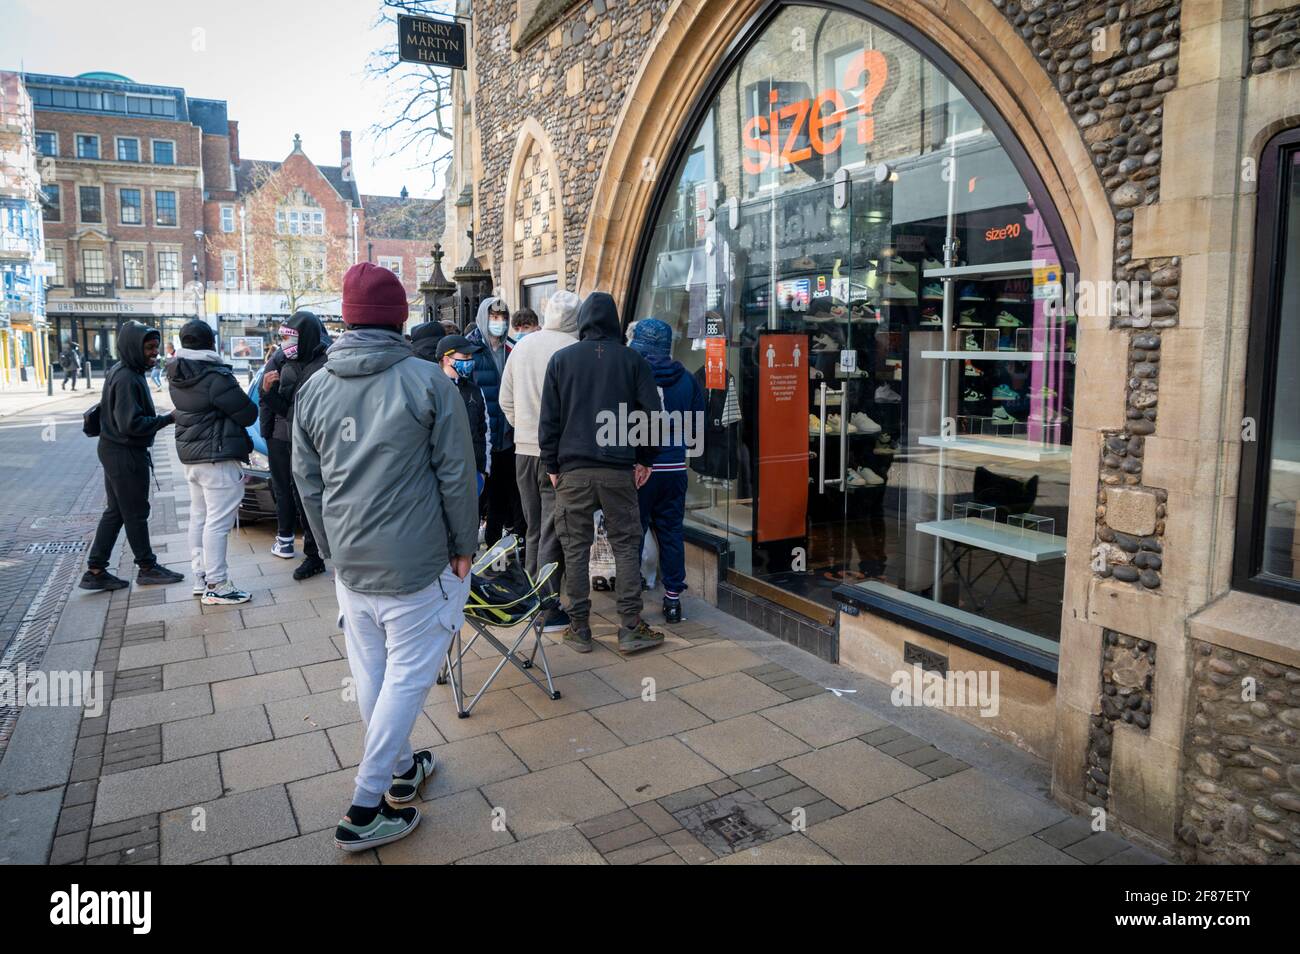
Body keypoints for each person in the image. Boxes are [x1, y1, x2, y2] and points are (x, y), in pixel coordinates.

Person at [293, 262, 479, 852]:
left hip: (350, 559)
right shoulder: (430, 382)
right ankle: (365, 804)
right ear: (401, 317)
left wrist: (327, 547)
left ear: (346, 317)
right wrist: (463, 547)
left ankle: (401, 769)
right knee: (404, 680)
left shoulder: (313, 389)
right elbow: (456, 475)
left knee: (372, 673)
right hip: (416, 559)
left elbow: (307, 480)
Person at [539, 292, 666, 655]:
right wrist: (645, 459)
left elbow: (549, 419)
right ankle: (629, 627)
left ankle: (579, 627)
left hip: (573, 471)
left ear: (583, 321)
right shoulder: (632, 360)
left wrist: (551, 465)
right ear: (614, 321)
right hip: (618, 470)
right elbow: (652, 415)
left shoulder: (561, 360)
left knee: (574, 549)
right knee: (626, 546)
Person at [80, 321, 184, 591]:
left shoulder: (125, 370)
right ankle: (147, 568)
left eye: (156, 348)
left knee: (116, 511)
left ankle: (95, 570)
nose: (154, 353)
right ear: (133, 348)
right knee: (136, 512)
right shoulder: (128, 377)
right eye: (149, 348)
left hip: (114, 449)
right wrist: (168, 419)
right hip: (124, 453)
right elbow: (131, 424)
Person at [500, 290, 580, 632]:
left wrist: (525, 430)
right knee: (551, 530)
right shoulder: (572, 350)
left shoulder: (522, 347)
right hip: (556, 456)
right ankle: (546, 606)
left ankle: (530, 596)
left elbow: (506, 399)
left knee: (533, 527)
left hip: (524, 450)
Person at [167, 319, 258, 605]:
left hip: (192, 459)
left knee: (200, 518)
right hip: (217, 458)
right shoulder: (215, 376)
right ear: (210, 343)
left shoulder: (176, 373)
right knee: (217, 524)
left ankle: (200, 577)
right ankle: (217, 585)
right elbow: (248, 414)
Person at [628, 319, 705, 624]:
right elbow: (698, 423)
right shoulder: (686, 379)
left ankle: (631, 601)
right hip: (675, 468)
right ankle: (673, 601)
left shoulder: (634, 376)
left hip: (640, 471)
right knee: (671, 532)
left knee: (634, 534)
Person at [260, 312, 330, 580]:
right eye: (283, 337)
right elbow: (285, 410)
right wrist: (268, 394)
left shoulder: (323, 364)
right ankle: (313, 553)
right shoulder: (284, 361)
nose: (286, 343)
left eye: (291, 337)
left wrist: (270, 397)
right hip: (288, 439)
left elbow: (297, 412)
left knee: (310, 496)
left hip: (314, 442)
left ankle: (317, 554)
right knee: (296, 495)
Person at [467, 296, 524, 547]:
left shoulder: (512, 349)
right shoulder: (471, 350)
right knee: (478, 499)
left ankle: (495, 548)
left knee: (501, 498)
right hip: (482, 438)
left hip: (507, 438)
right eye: (494, 317)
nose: (499, 322)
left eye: (502, 317)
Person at [418, 330, 490, 493]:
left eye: (470, 357)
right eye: (465, 357)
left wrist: (484, 469)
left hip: (473, 472)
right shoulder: (430, 390)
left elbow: (484, 431)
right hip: (439, 476)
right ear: (447, 359)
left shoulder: (475, 391)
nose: (470, 361)